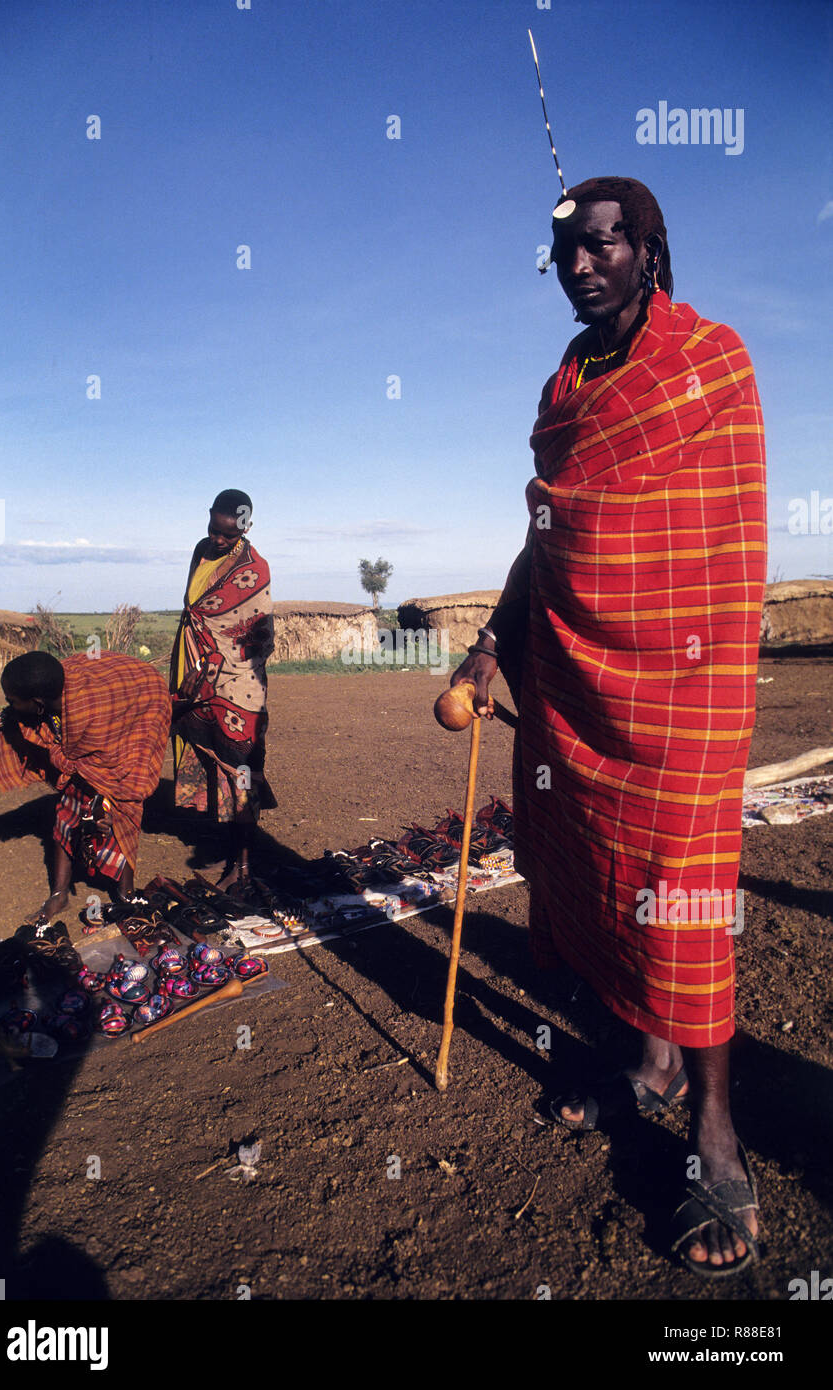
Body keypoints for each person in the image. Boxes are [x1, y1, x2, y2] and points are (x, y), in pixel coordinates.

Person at [452, 177, 767, 1278]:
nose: (580, 266)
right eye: (567, 254)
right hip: (579, 692)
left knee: (682, 894)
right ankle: (650, 1061)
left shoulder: (708, 362)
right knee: (602, 876)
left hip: (684, 690)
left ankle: (715, 1138)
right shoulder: (564, 387)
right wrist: (495, 637)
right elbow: (546, 537)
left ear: (649, 248)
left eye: (601, 246)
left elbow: (713, 527)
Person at [0, 649, 171, 922]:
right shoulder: (53, 689)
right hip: (101, 713)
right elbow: (54, 742)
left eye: (12, 701)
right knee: (66, 815)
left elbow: (66, 758)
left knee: (119, 814)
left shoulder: (86, 713)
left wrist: (2, 721)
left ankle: (126, 892)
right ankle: (59, 894)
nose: (9, 705)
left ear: (39, 704)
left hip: (140, 712)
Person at [170, 488, 276, 888]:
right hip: (195, 666)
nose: (217, 540)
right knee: (213, 760)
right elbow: (194, 608)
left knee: (243, 768)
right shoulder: (200, 549)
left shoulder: (256, 568)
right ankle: (231, 853)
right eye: (213, 529)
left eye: (226, 536)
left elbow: (259, 637)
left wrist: (212, 667)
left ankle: (245, 865)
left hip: (238, 680)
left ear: (245, 528)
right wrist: (195, 667)